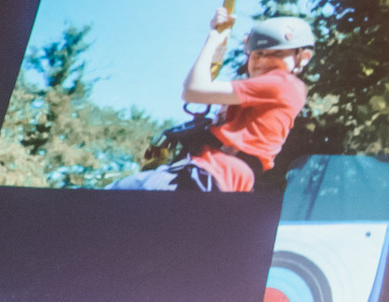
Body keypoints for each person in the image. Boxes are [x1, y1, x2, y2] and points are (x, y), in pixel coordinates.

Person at [110, 13, 312, 194]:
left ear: (303, 57)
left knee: (113, 196)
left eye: (276, 54)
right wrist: (219, 40)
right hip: (215, 173)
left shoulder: (281, 83)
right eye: (257, 54)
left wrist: (213, 39)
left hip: (215, 172)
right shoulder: (260, 91)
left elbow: (193, 90)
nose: (263, 60)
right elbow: (200, 86)